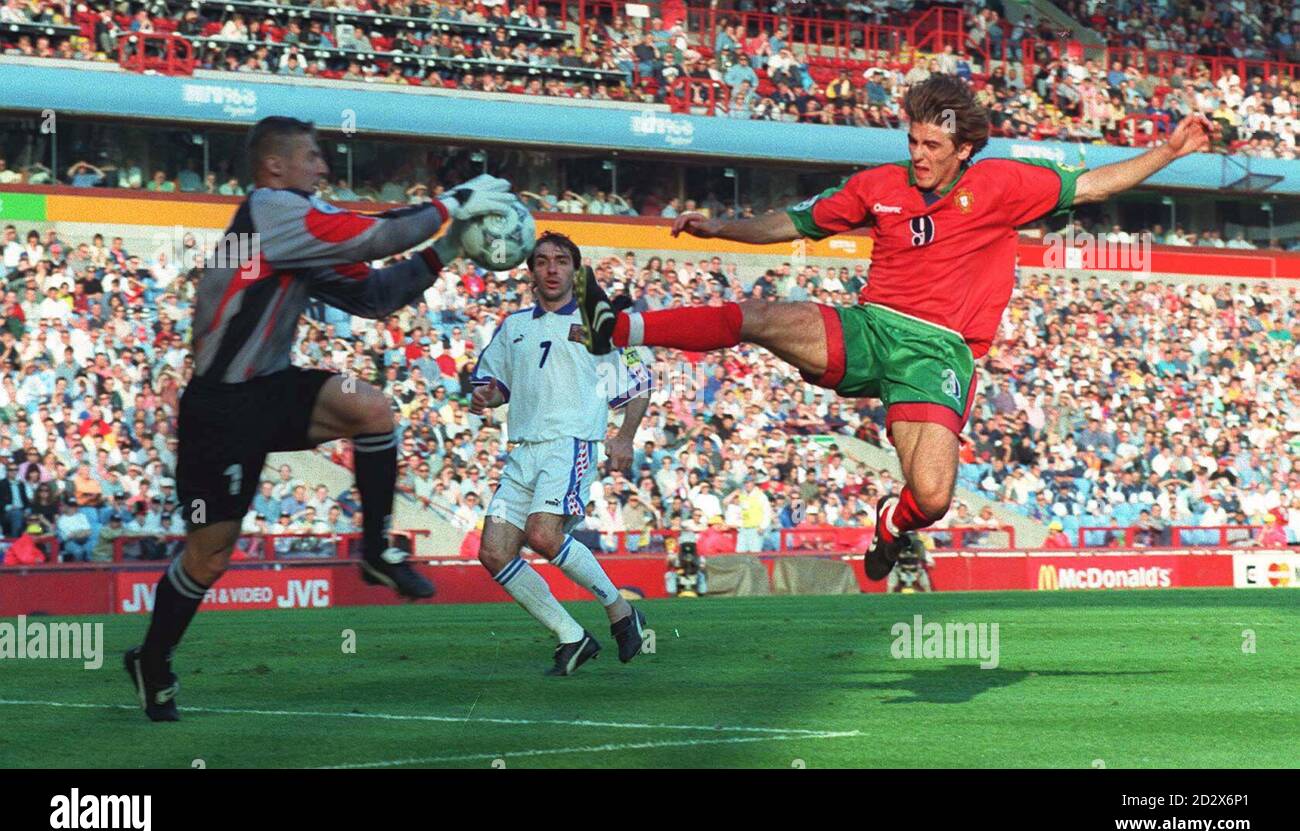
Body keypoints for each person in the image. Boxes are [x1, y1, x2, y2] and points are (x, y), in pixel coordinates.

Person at [573, 74, 1213, 583]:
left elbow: (1096, 184)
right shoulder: (878, 186)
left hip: (937, 351)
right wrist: (722, 226)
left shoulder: (1003, 185)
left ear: (964, 150)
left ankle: (888, 525)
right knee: (758, 315)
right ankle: (618, 328)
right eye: (913, 142)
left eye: (933, 147)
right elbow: (793, 224)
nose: (919, 156)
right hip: (871, 327)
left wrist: (1170, 150)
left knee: (931, 499)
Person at [125, 115, 518, 721]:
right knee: (209, 557)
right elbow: (369, 236)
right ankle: (152, 659)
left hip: (269, 389)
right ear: (274, 167)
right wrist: (451, 203)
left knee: (372, 406)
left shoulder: (295, 232)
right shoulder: (270, 211)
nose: (323, 166)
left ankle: (374, 551)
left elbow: (376, 297)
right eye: (312, 156)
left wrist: (444, 250)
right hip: (221, 407)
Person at [470, 232, 652, 675]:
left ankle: (619, 608)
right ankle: (572, 636)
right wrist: (487, 397)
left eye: (562, 261)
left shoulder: (599, 325)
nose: (552, 269)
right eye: (543, 261)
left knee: (543, 535)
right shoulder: (514, 327)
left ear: (575, 270)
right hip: (523, 453)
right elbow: (492, 388)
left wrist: (625, 436)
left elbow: (638, 385)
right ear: (530, 271)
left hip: (569, 446)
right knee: (493, 552)